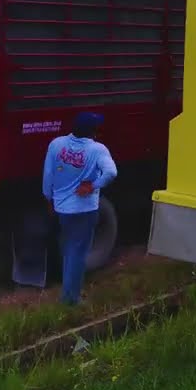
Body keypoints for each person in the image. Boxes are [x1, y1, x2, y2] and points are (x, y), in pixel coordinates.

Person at [42, 111, 118, 305]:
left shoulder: (56, 144)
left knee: (68, 250)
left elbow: (48, 176)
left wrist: (49, 199)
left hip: (62, 210)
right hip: (85, 210)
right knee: (78, 254)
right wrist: (93, 186)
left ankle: (68, 294)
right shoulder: (97, 149)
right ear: (93, 131)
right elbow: (111, 172)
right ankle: (70, 299)